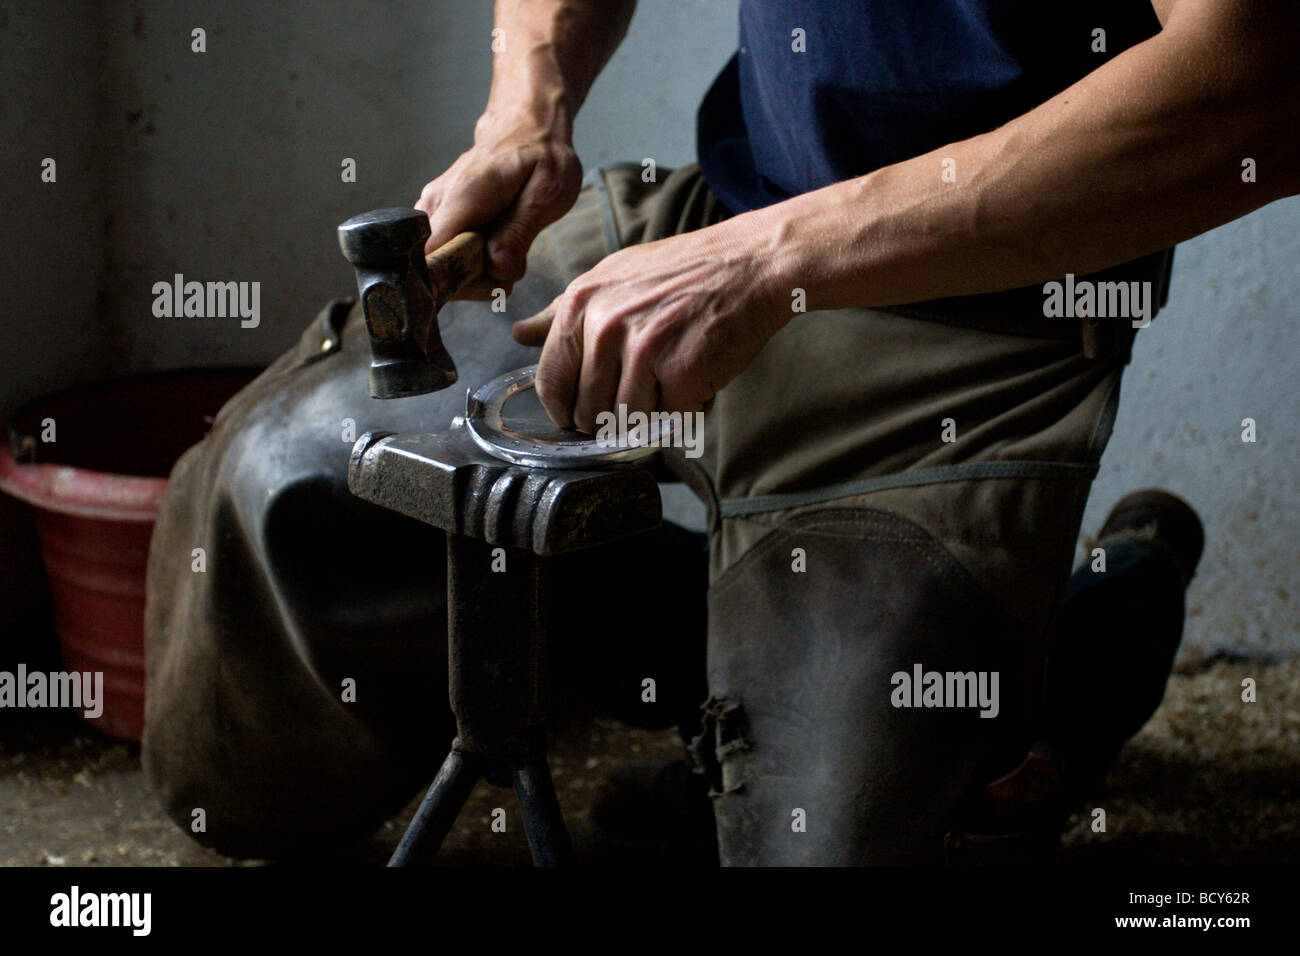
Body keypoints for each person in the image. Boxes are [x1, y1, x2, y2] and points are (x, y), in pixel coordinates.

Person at [143, 0, 1295, 864]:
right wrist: (524, 109)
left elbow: (1262, 77)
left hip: (975, 312)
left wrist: (775, 264)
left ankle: (1100, 618)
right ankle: (722, 632)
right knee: (272, 489)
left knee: (832, 835)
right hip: (719, 217)